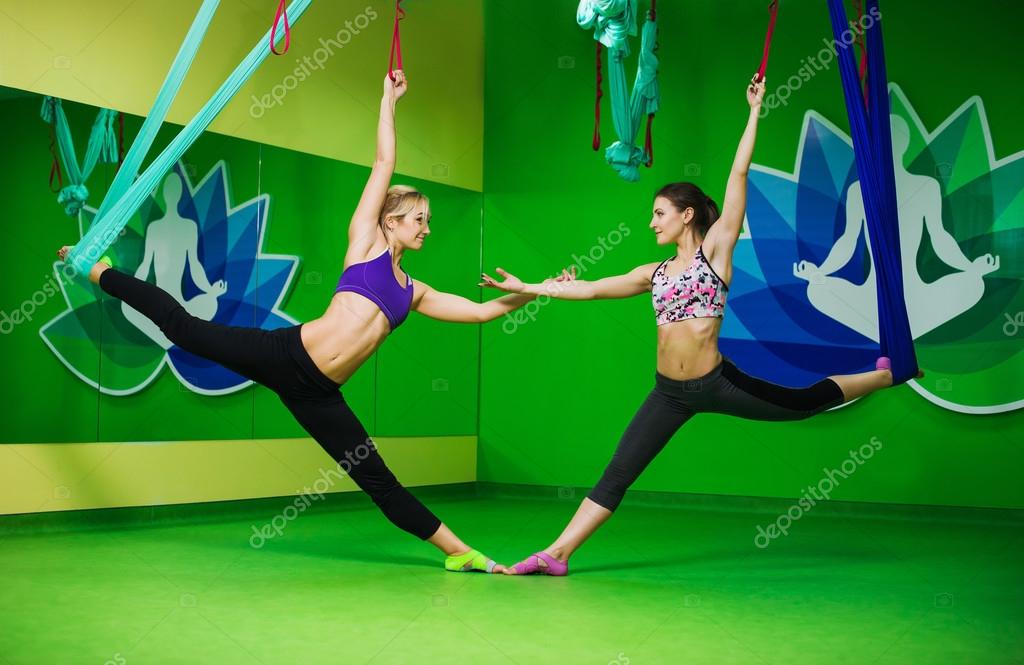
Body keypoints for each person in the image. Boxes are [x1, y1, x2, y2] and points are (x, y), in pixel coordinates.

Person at [58, 72, 557, 574]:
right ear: (391, 222)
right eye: (418, 218)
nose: (426, 227)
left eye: (428, 220)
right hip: (284, 353)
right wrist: (388, 99)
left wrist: (534, 289)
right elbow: (385, 161)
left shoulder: (415, 291)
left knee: (377, 479)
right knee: (184, 329)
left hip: (318, 394)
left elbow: (481, 312)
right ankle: (99, 271)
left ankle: (462, 553)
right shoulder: (364, 245)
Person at [481, 75, 901, 576]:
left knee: (802, 404)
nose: (652, 223)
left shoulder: (715, 253)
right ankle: (557, 554)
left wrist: (754, 112)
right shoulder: (652, 274)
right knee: (619, 470)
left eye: (659, 214)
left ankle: (881, 376)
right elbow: (589, 288)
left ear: (686, 215)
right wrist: (529, 286)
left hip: (717, 383)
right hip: (669, 393)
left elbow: (738, 177)